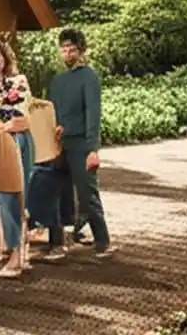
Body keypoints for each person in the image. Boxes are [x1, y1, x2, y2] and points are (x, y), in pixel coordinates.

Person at [47, 28, 117, 259]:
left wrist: (93, 149)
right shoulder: (56, 81)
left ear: (81, 51)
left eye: (72, 49)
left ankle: (103, 241)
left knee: (87, 192)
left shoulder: (89, 77)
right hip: (58, 144)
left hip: (81, 144)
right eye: (64, 49)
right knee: (54, 194)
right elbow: (50, 111)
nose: (67, 54)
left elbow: (93, 114)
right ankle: (56, 243)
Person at [0, 39, 33, 278]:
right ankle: (6, 247)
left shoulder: (16, 82)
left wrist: (1, 127)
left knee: (12, 198)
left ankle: (17, 257)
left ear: (4, 60)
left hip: (14, 142)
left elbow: (22, 118)